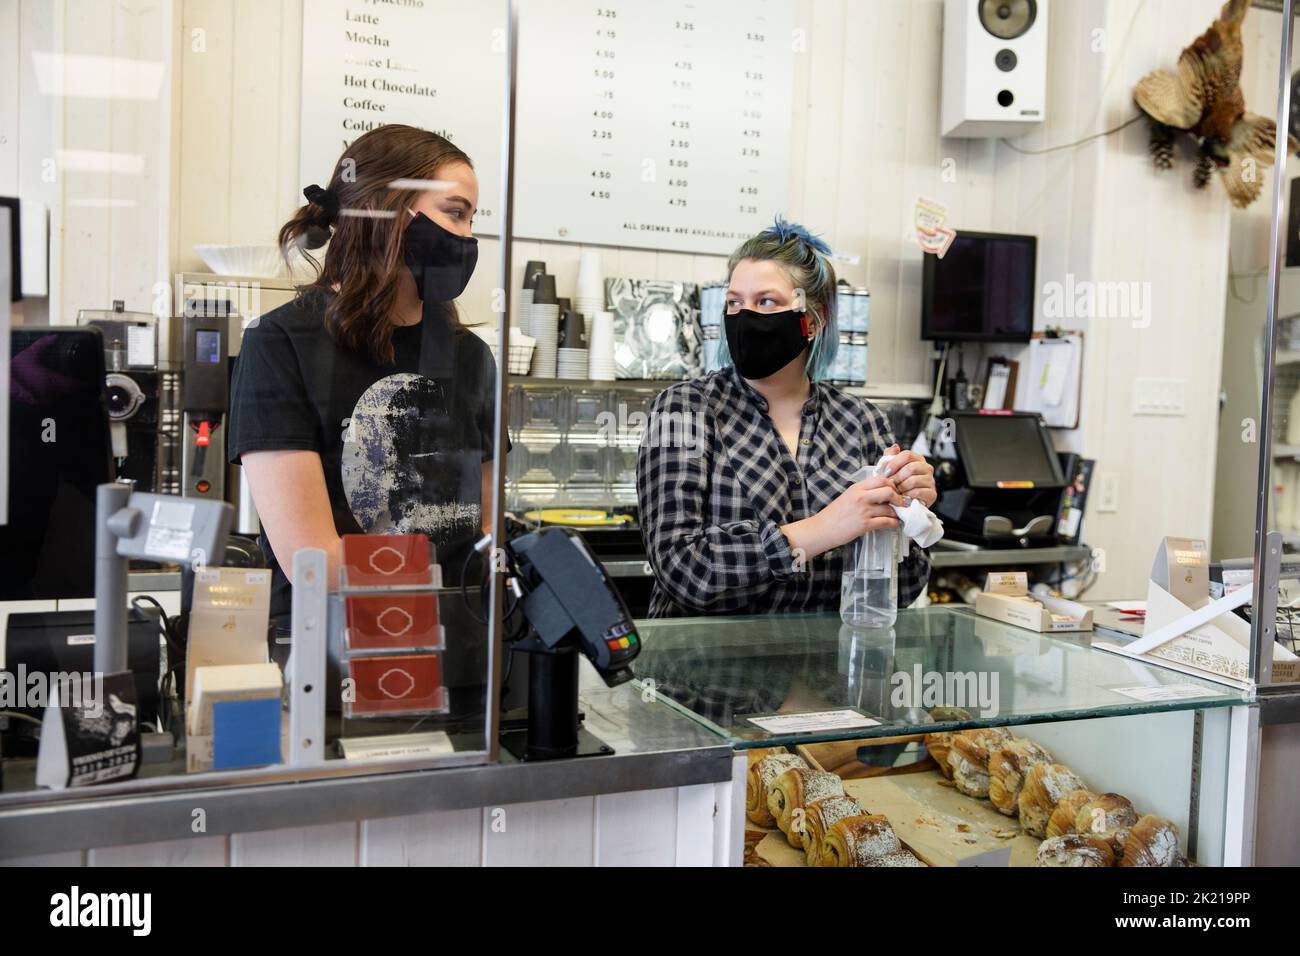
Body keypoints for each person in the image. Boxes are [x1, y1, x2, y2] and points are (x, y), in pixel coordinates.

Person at [229, 124, 497, 625]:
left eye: (471, 219)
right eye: (454, 214)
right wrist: (443, 578)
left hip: (461, 657)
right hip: (332, 659)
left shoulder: (470, 356)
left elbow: (486, 535)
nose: (466, 236)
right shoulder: (281, 344)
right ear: (386, 213)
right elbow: (315, 562)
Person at [636, 217, 936, 617]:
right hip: (702, 669)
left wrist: (910, 517)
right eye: (734, 302)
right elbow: (684, 570)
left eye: (766, 302)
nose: (743, 316)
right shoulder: (684, 410)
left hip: (822, 670)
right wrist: (824, 529)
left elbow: (901, 590)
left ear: (812, 320)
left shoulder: (862, 422)